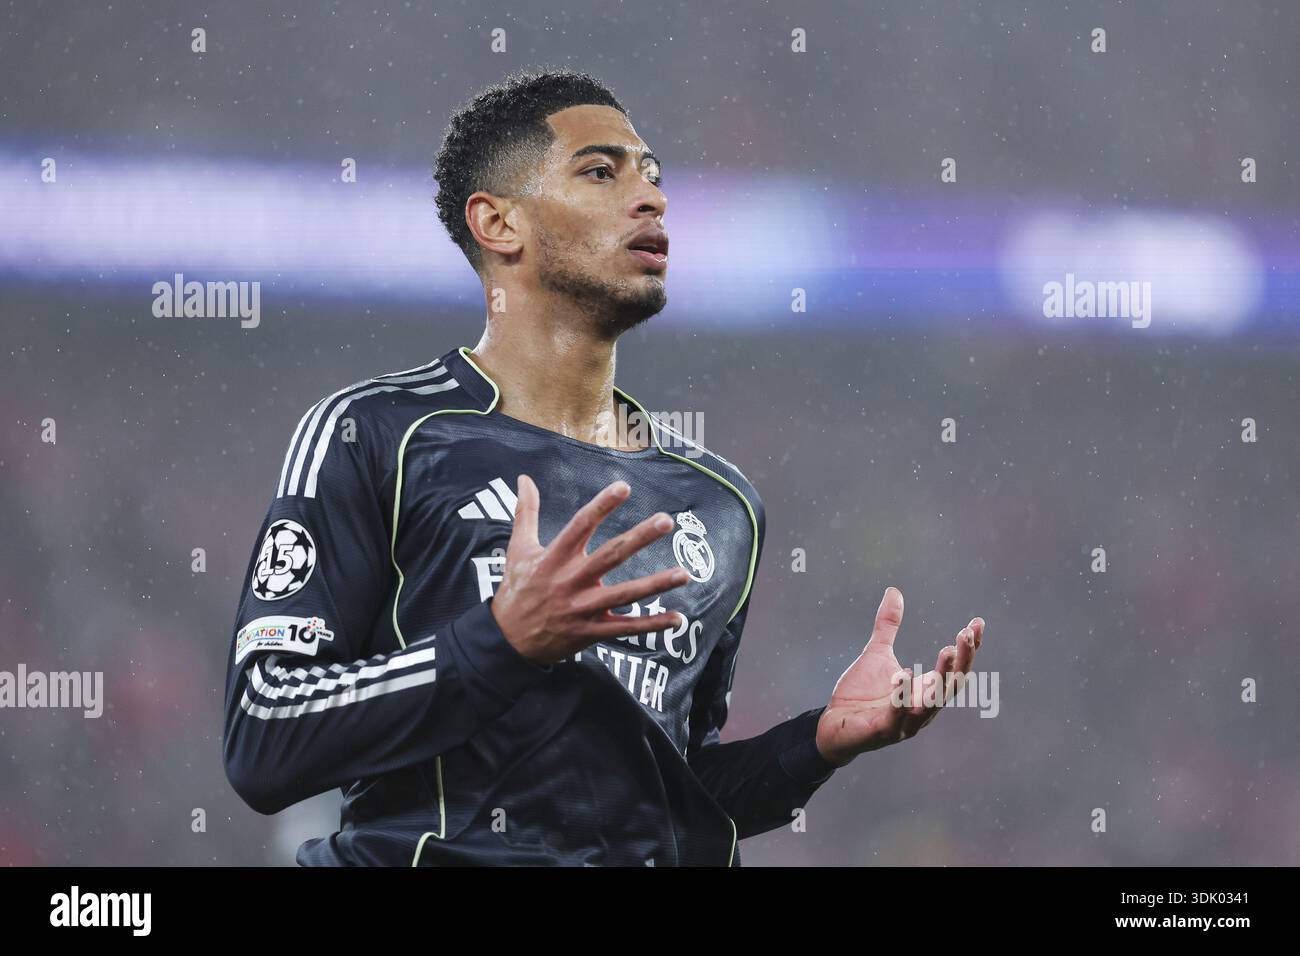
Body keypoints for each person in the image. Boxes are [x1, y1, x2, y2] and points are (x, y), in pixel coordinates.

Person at [222, 67, 986, 866]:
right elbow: (265, 735)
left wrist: (817, 743)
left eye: (654, 176)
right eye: (601, 171)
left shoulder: (721, 505)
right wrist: (501, 641)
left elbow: (672, 794)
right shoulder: (376, 433)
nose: (651, 198)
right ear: (498, 223)